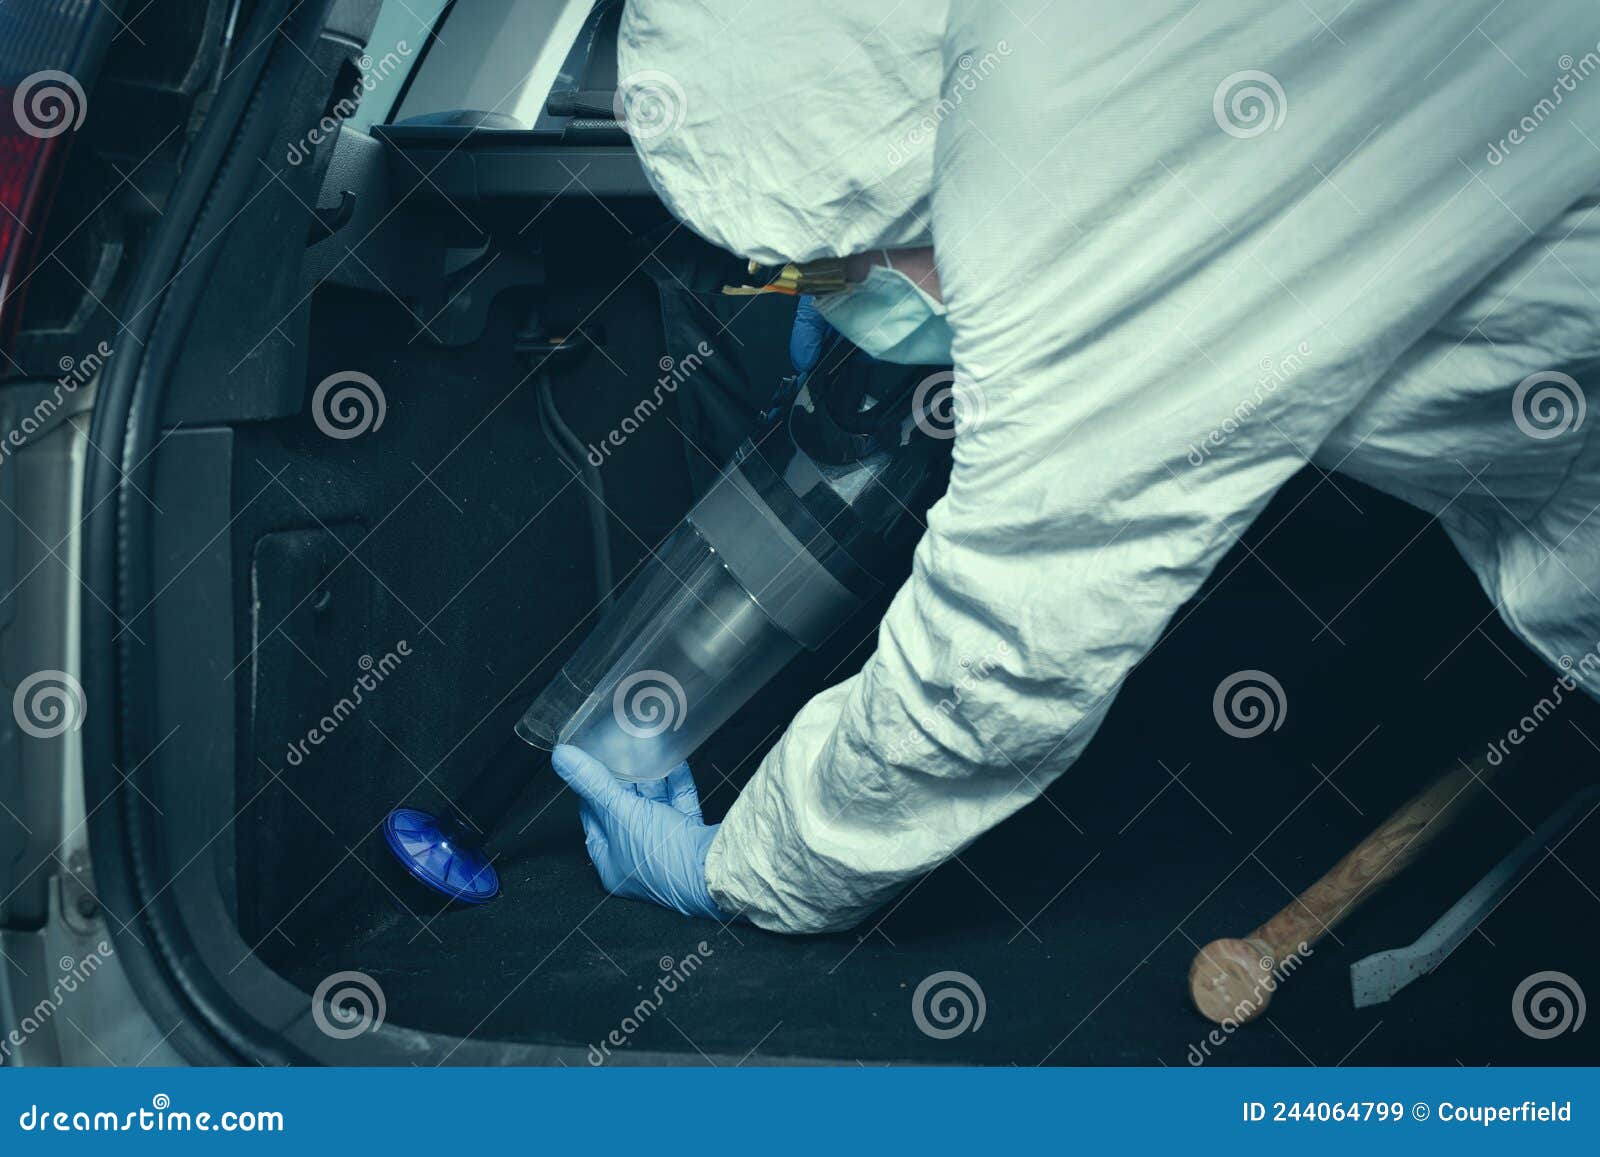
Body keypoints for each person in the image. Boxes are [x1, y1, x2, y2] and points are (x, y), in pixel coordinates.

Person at [554, 0, 1600, 933]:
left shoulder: (1069, 192)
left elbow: (1002, 655)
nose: (834, 291)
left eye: (840, 261)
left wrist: (747, 868)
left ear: (913, 163)